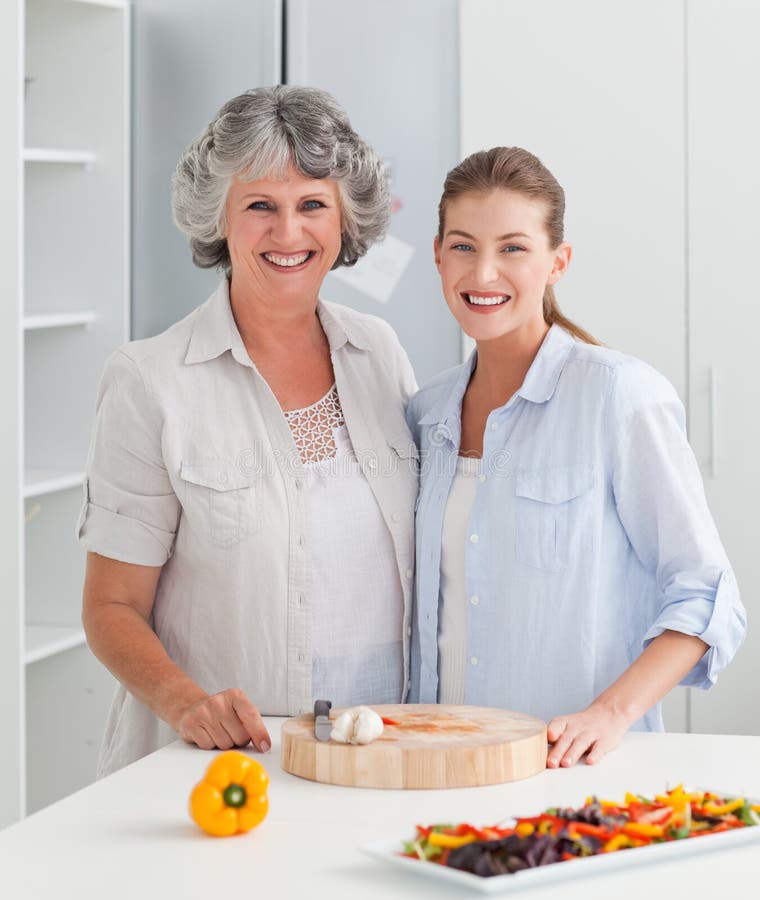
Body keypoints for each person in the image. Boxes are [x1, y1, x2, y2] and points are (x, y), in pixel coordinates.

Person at [79, 86, 418, 777]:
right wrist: (185, 702)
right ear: (220, 220)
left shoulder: (379, 351)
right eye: (260, 205)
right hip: (214, 767)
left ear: (345, 219)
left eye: (312, 206)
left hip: (378, 755)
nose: (289, 233)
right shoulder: (151, 380)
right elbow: (111, 605)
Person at [407, 146, 746, 766]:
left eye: (512, 248)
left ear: (557, 262)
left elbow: (706, 593)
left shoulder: (617, 395)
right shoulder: (424, 414)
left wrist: (610, 714)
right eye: (463, 246)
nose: (483, 274)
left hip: (572, 772)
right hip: (440, 764)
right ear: (437, 256)